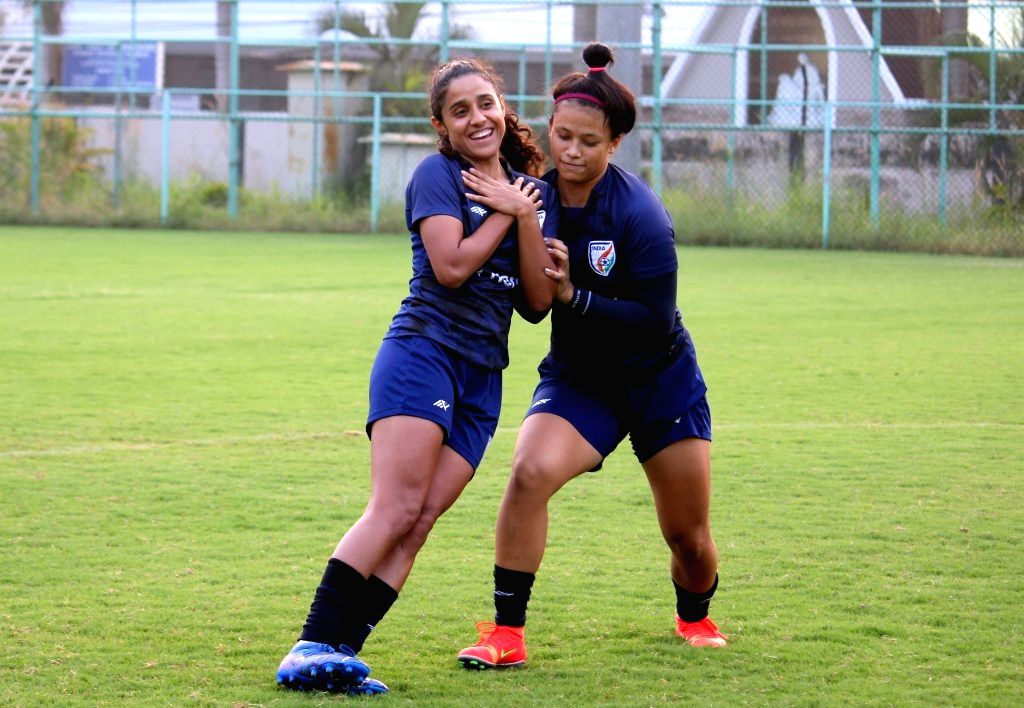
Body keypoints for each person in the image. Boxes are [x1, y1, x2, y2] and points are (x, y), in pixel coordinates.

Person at [275, 57, 558, 695]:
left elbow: (538, 305)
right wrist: (506, 214)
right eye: (460, 111)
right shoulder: (438, 176)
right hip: (423, 353)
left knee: (423, 518)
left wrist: (529, 217)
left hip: (483, 379)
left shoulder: (527, 190)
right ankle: (309, 642)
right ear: (442, 125)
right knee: (396, 505)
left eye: (485, 103)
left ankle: (339, 656)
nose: (477, 118)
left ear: (502, 106)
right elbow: (452, 266)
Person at [457, 42, 726, 671]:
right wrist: (541, 280)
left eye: (589, 142)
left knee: (688, 539)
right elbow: (532, 308)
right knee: (528, 475)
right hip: (582, 381)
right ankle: (506, 633)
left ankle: (695, 614)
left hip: (660, 379)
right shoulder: (534, 199)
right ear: (550, 130)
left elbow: (653, 319)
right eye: (563, 137)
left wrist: (574, 294)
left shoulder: (641, 214)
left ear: (614, 145)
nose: (572, 152)